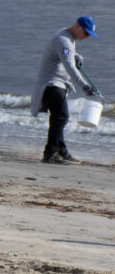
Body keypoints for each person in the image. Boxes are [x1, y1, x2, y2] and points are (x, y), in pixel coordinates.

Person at [34, 16, 95, 166]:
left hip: (58, 83)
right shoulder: (63, 40)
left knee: (59, 117)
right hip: (51, 84)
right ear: (78, 27)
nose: (86, 37)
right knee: (61, 117)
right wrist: (84, 85)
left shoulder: (66, 36)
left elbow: (67, 55)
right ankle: (50, 154)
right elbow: (69, 65)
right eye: (86, 33)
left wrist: (77, 56)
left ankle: (61, 151)